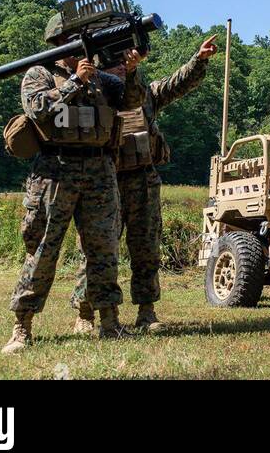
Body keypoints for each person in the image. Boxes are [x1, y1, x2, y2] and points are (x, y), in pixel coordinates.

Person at [3, 13, 144, 354]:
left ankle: (109, 323)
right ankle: (22, 327)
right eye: (73, 39)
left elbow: (131, 100)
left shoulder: (100, 77)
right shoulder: (39, 74)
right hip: (55, 169)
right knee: (42, 250)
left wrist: (132, 69)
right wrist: (74, 83)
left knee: (104, 249)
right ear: (58, 43)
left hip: (99, 169)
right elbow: (38, 110)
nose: (81, 45)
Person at [71, 35, 218, 335]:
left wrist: (199, 60)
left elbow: (177, 83)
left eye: (126, 67)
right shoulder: (93, 97)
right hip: (105, 179)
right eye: (116, 67)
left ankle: (147, 312)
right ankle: (85, 313)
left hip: (143, 181)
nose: (122, 70)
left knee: (146, 248)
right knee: (97, 250)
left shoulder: (146, 96)